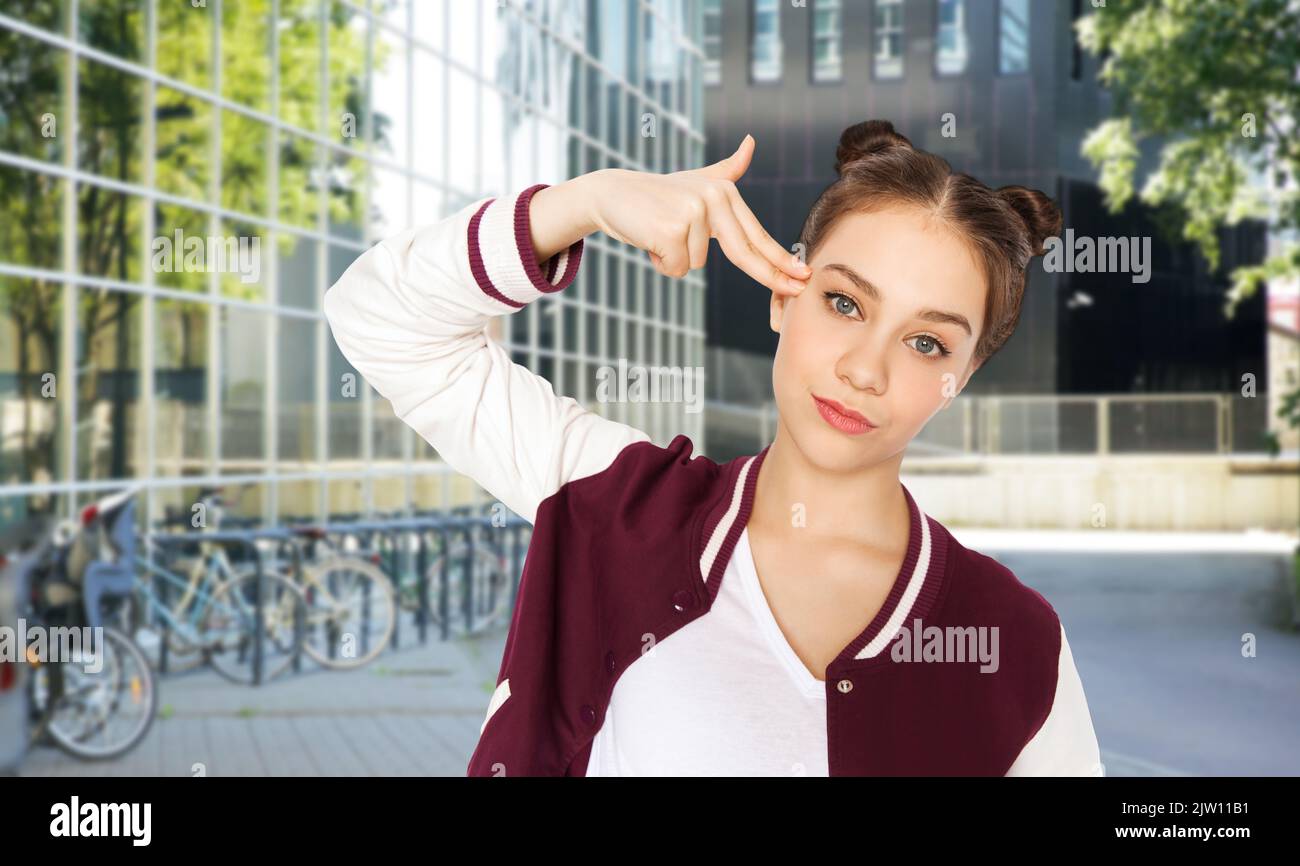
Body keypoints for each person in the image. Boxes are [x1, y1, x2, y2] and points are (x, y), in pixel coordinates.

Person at [324, 119, 1105, 777]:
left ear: (960, 379)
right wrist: (584, 202)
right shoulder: (616, 504)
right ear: (781, 296)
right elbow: (378, 317)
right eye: (843, 302)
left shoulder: (1014, 643)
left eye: (927, 343)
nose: (864, 369)